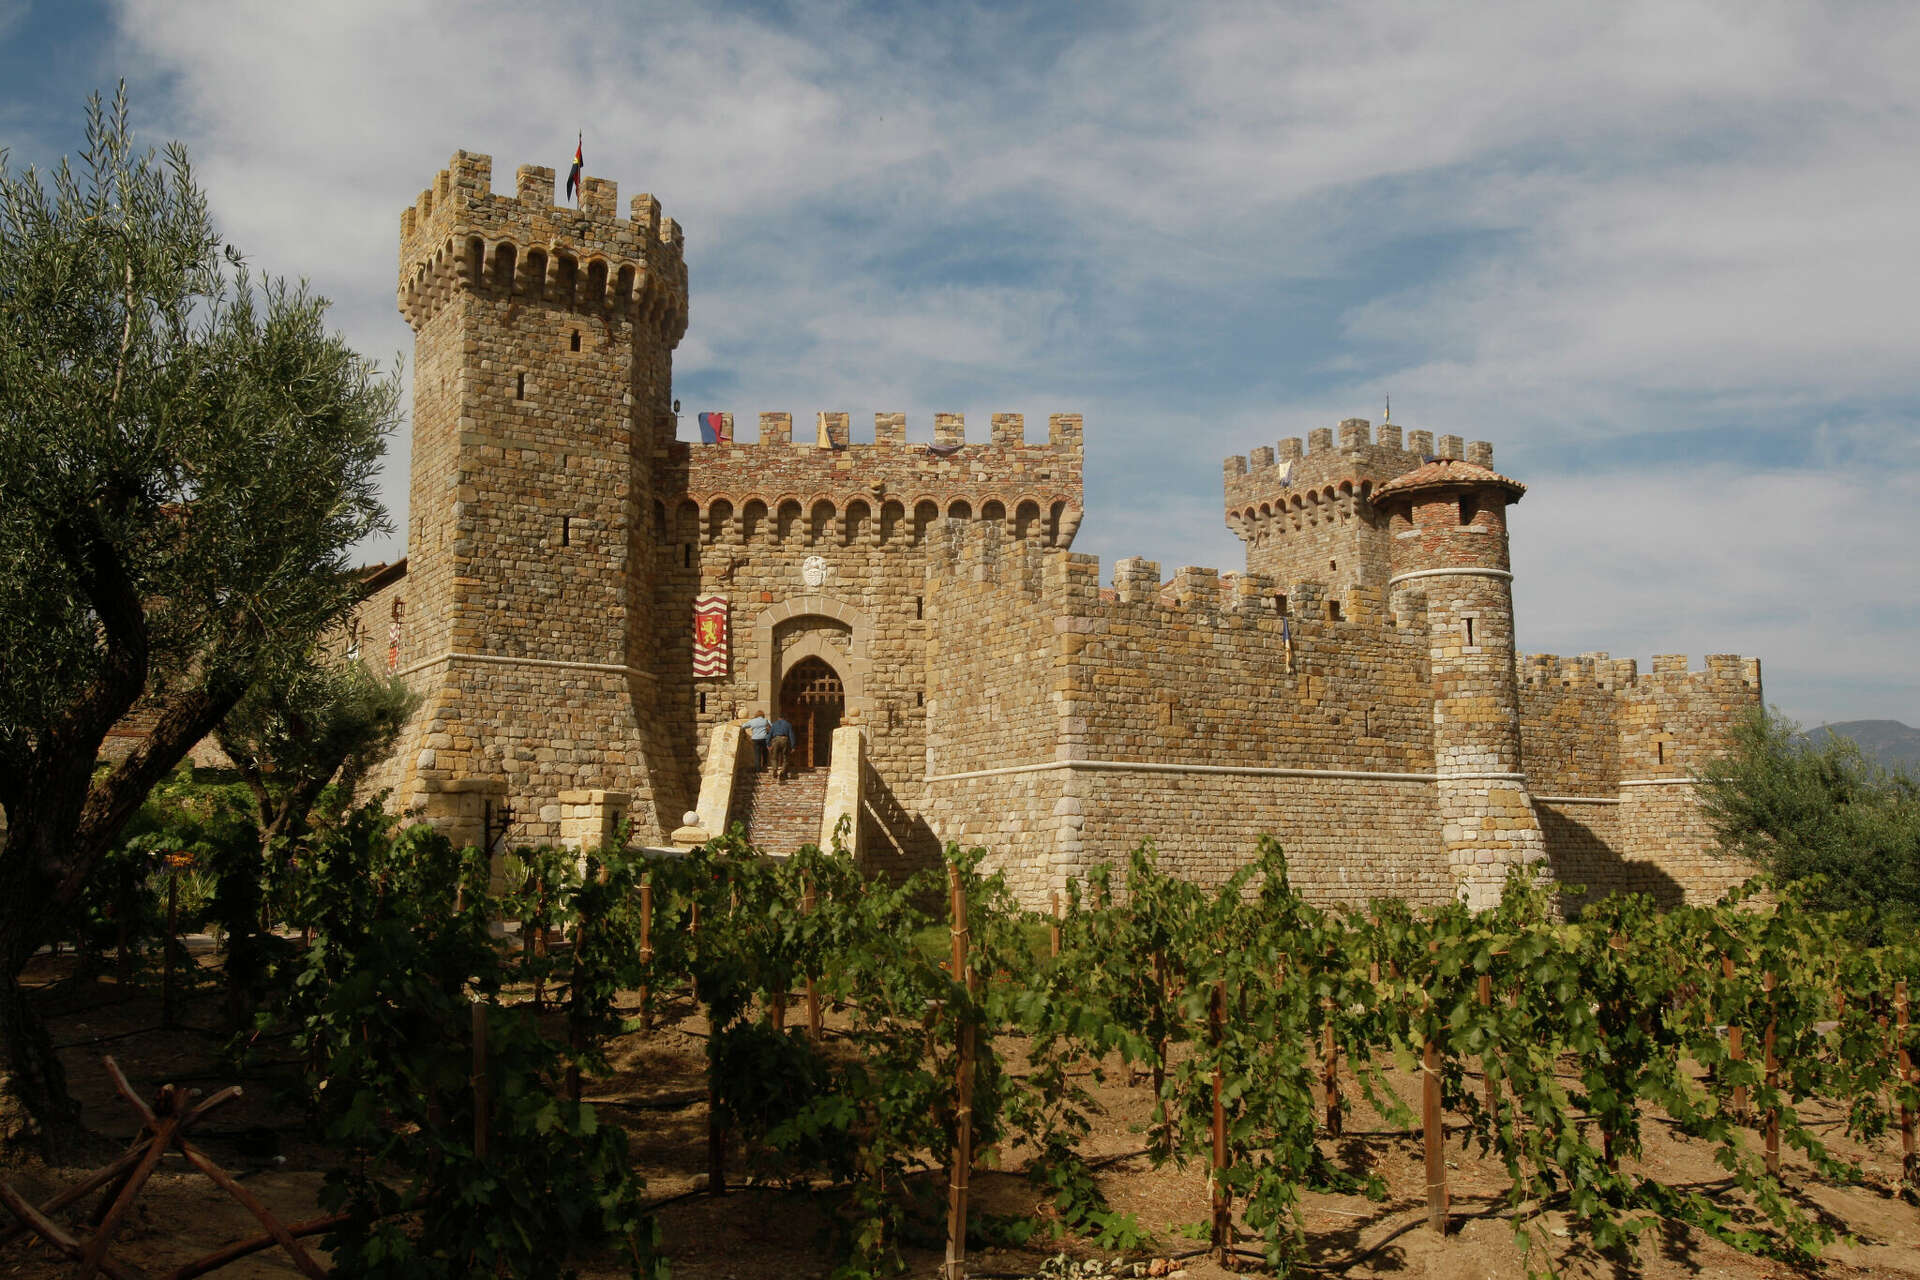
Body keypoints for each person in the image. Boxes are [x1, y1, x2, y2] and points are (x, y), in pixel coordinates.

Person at [768, 714, 795, 781]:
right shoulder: (788, 724)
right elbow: (791, 735)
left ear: (778, 718)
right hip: (784, 740)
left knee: (774, 757)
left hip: (775, 740)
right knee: (785, 757)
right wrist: (793, 746)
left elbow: (769, 734)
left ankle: (775, 769)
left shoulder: (774, 724)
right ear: (785, 718)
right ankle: (782, 772)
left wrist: (768, 744)